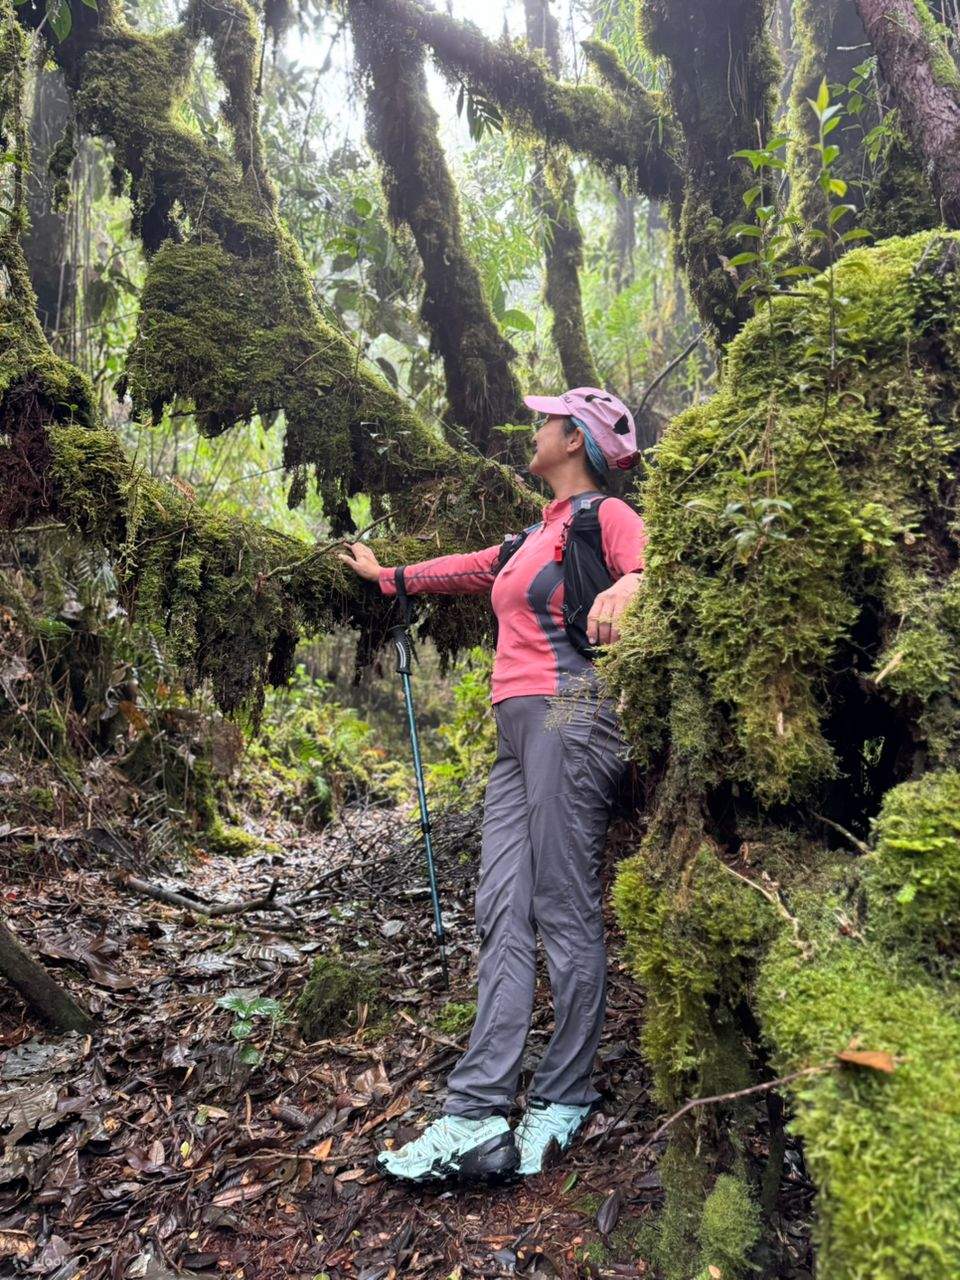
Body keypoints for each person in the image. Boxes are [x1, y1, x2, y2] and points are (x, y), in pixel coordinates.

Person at [337, 387, 647, 1184]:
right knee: (501, 905)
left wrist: (628, 587)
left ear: (574, 441)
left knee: (564, 903)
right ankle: (476, 1115)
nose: (535, 429)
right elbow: (466, 570)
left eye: (548, 420)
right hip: (515, 729)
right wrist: (388, 575)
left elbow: (653, 572)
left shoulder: (607, 516)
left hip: (573, 710)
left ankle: (565, 1095)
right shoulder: (532, 536)